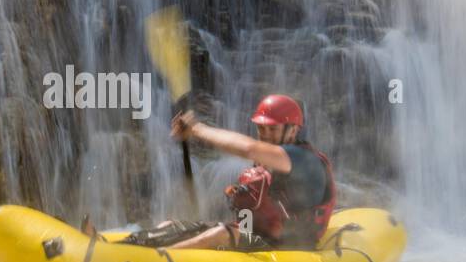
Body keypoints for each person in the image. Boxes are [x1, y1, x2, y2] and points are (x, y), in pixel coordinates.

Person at [124, 94, 336, 251]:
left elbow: (249, 148)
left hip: (292, 248)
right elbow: (250, 218)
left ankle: (158, 261)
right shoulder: (268, 162)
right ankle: (121, 246)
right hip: (259, 238)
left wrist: (196, 129)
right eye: (262, 129)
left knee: (224, 234)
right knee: (172, 225)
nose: (266, 135)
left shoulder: (302, 159)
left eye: (273, 129)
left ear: (293, 130)